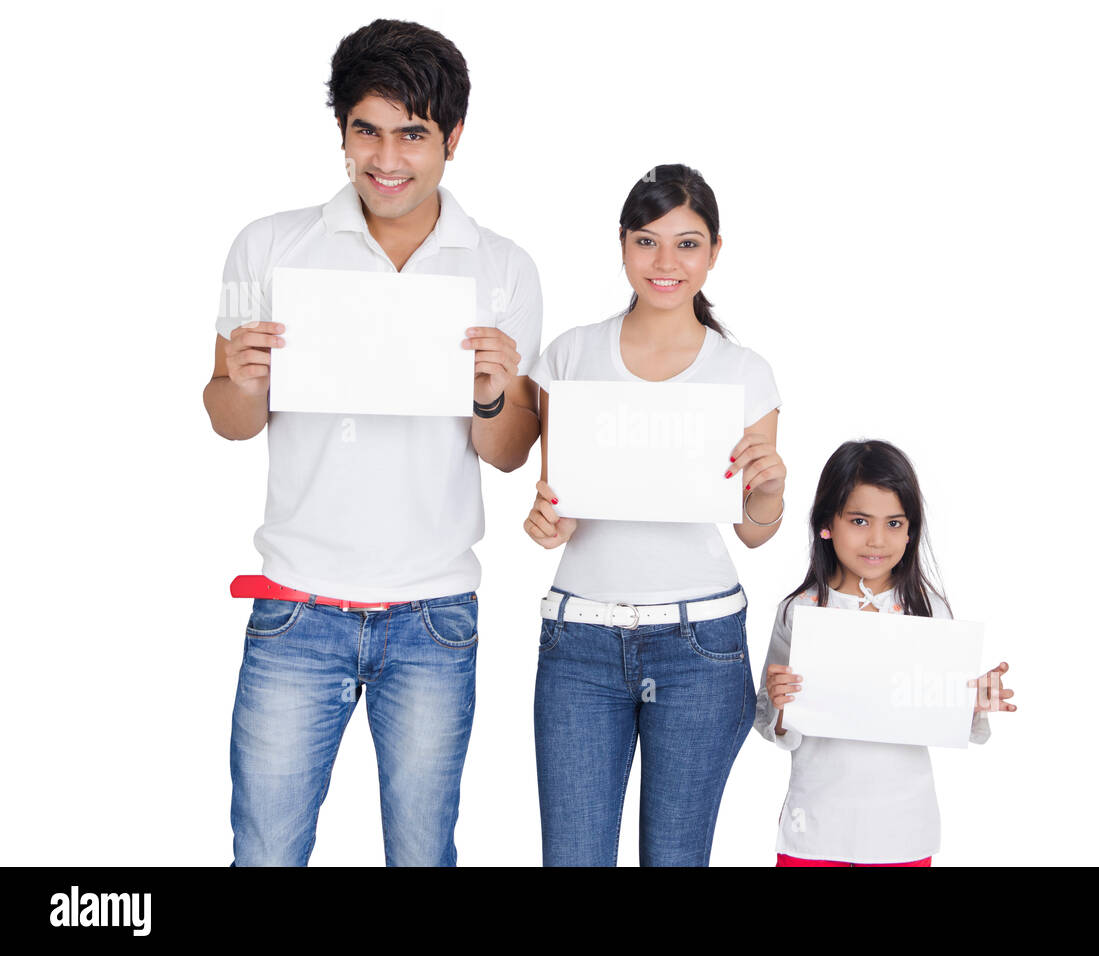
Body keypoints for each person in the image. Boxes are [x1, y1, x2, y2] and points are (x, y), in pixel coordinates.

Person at [203, 19, 543, 866]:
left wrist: (493, 392)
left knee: (423, 854)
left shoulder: (502, 267)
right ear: (343, 132)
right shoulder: (270, 245)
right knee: (266, 852)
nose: (387, 159)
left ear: (452, 139)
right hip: (295, 606)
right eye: (367, 131)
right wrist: (243, 380)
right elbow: (229, 421)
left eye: (414, 135)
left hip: (433, 615)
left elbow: (507, 453)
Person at [523, 164, 785, 866]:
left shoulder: (744, 371)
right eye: (647, 241)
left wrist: (769, 491)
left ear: (715, 251)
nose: (666, 263)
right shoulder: (571, 354)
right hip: (580, 642)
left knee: (676, 858)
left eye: (687, 243)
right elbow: (554, 500)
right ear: (622, 245)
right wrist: (546, 520)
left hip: (699, 643)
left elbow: (755, 531)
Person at [756, 440, 1015, 866]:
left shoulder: (929, 611)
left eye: (894, 523)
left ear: (911, 530)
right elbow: (774, 724)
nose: (878, 539)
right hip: (817, 826)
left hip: (902, 828)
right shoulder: (800, 611)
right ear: (827, 523)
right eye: (860, 520)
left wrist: (973, 700)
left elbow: (940, 713)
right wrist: (781, 704)